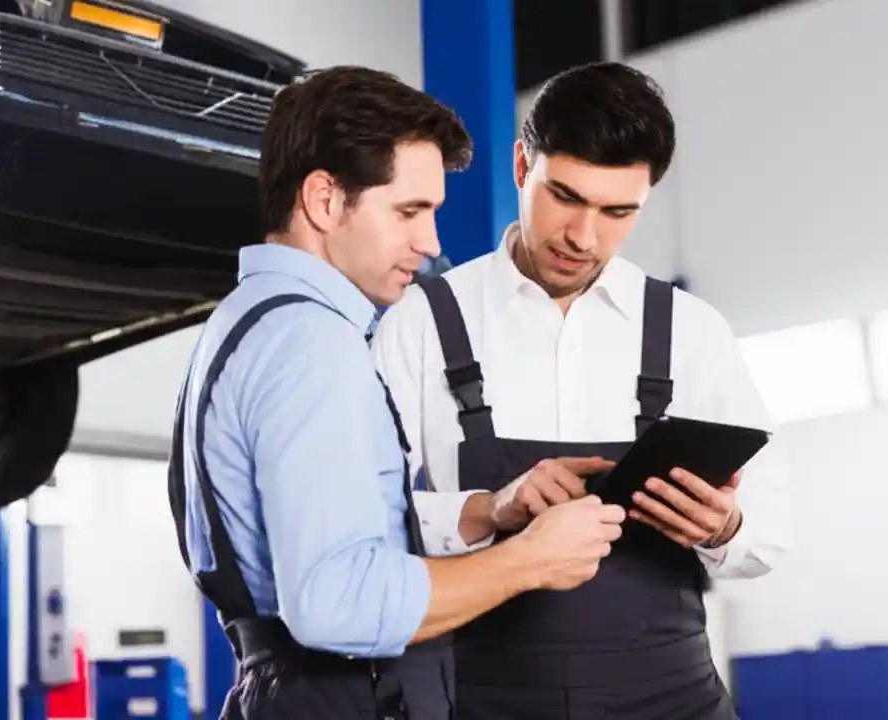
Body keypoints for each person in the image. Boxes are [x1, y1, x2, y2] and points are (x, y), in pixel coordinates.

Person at [166, 66, 627, 720]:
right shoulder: (311, 344)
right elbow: (337, 602)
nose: (430, 243)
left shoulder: (245, 325)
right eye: (408, 212)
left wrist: (489, 513)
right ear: (325, 200)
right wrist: (531, 561)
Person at [372, 61, 792, 720]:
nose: (583, 237)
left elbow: (772, 533)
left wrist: (724, 527)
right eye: (564, 197)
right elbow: (367, 532)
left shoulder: (691, 332)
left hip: (675, 702)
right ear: (521, 167)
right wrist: (490, 507)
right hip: (485, 701)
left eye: (618, 211)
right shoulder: (418, 326)